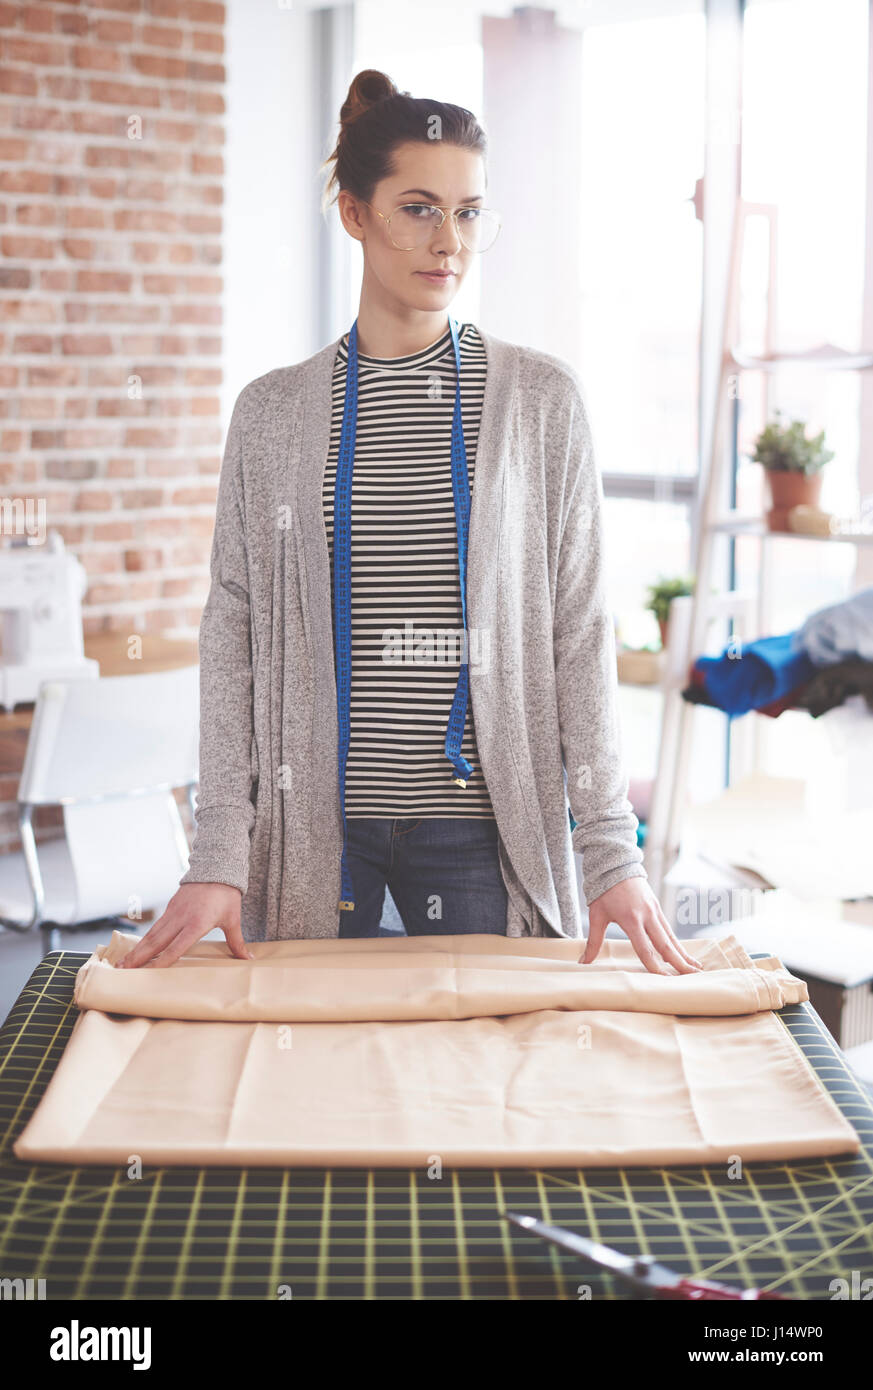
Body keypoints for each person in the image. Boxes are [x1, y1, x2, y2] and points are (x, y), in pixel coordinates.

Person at [122, 69, 700, 978]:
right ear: (354, 213)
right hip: (318, 828)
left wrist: (608, 847)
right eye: (418, 208)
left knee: (484, 1088)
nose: (449, 242)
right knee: (312, 1079)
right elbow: (230, 633)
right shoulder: (271, 413)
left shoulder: (540, 401)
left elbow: (578, 632)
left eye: (469, 213)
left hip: (483, 834)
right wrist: (218, 851)